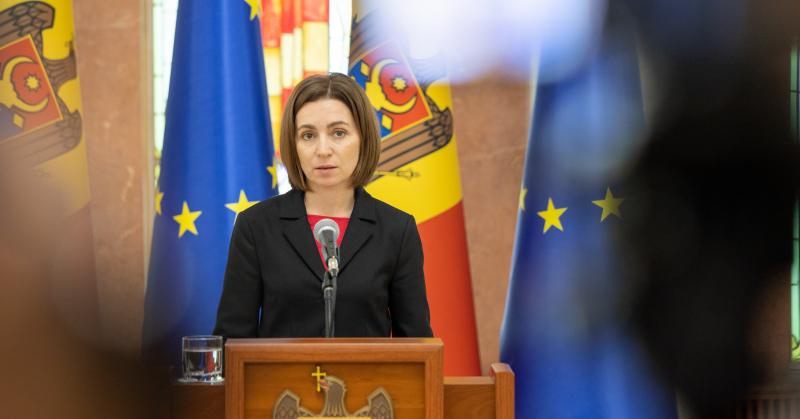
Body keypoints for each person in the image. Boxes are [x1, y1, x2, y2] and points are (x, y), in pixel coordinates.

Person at [213, 73, 433, 338]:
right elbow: (232, 340)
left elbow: (416, 343)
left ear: (363, 139)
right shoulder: (256, 226)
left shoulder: (397, 230)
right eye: (308, 135)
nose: (323, 150)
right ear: (293, 145)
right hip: (278, 369)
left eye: (338, 133)